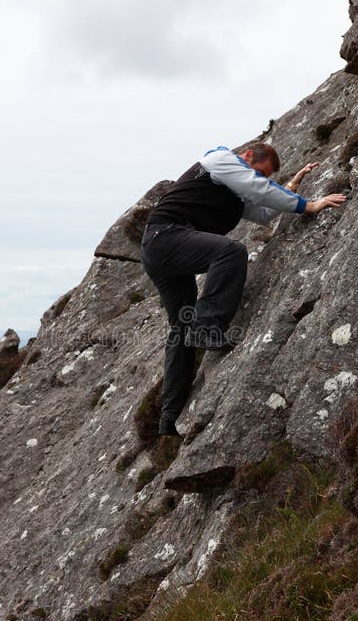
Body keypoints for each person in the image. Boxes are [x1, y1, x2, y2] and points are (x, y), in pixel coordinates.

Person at [140, 142, 346, 437]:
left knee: (181, 326)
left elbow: (261, 210)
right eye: (259, 172)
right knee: (230, 252)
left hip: (161, 249)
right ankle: (208, 326)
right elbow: (257, 188)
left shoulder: (234, 190)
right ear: (248, 156)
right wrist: (308, 205)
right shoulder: (220, 160)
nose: (260, 179)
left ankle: (169, 417)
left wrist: (292, 185)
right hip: (166, 237)